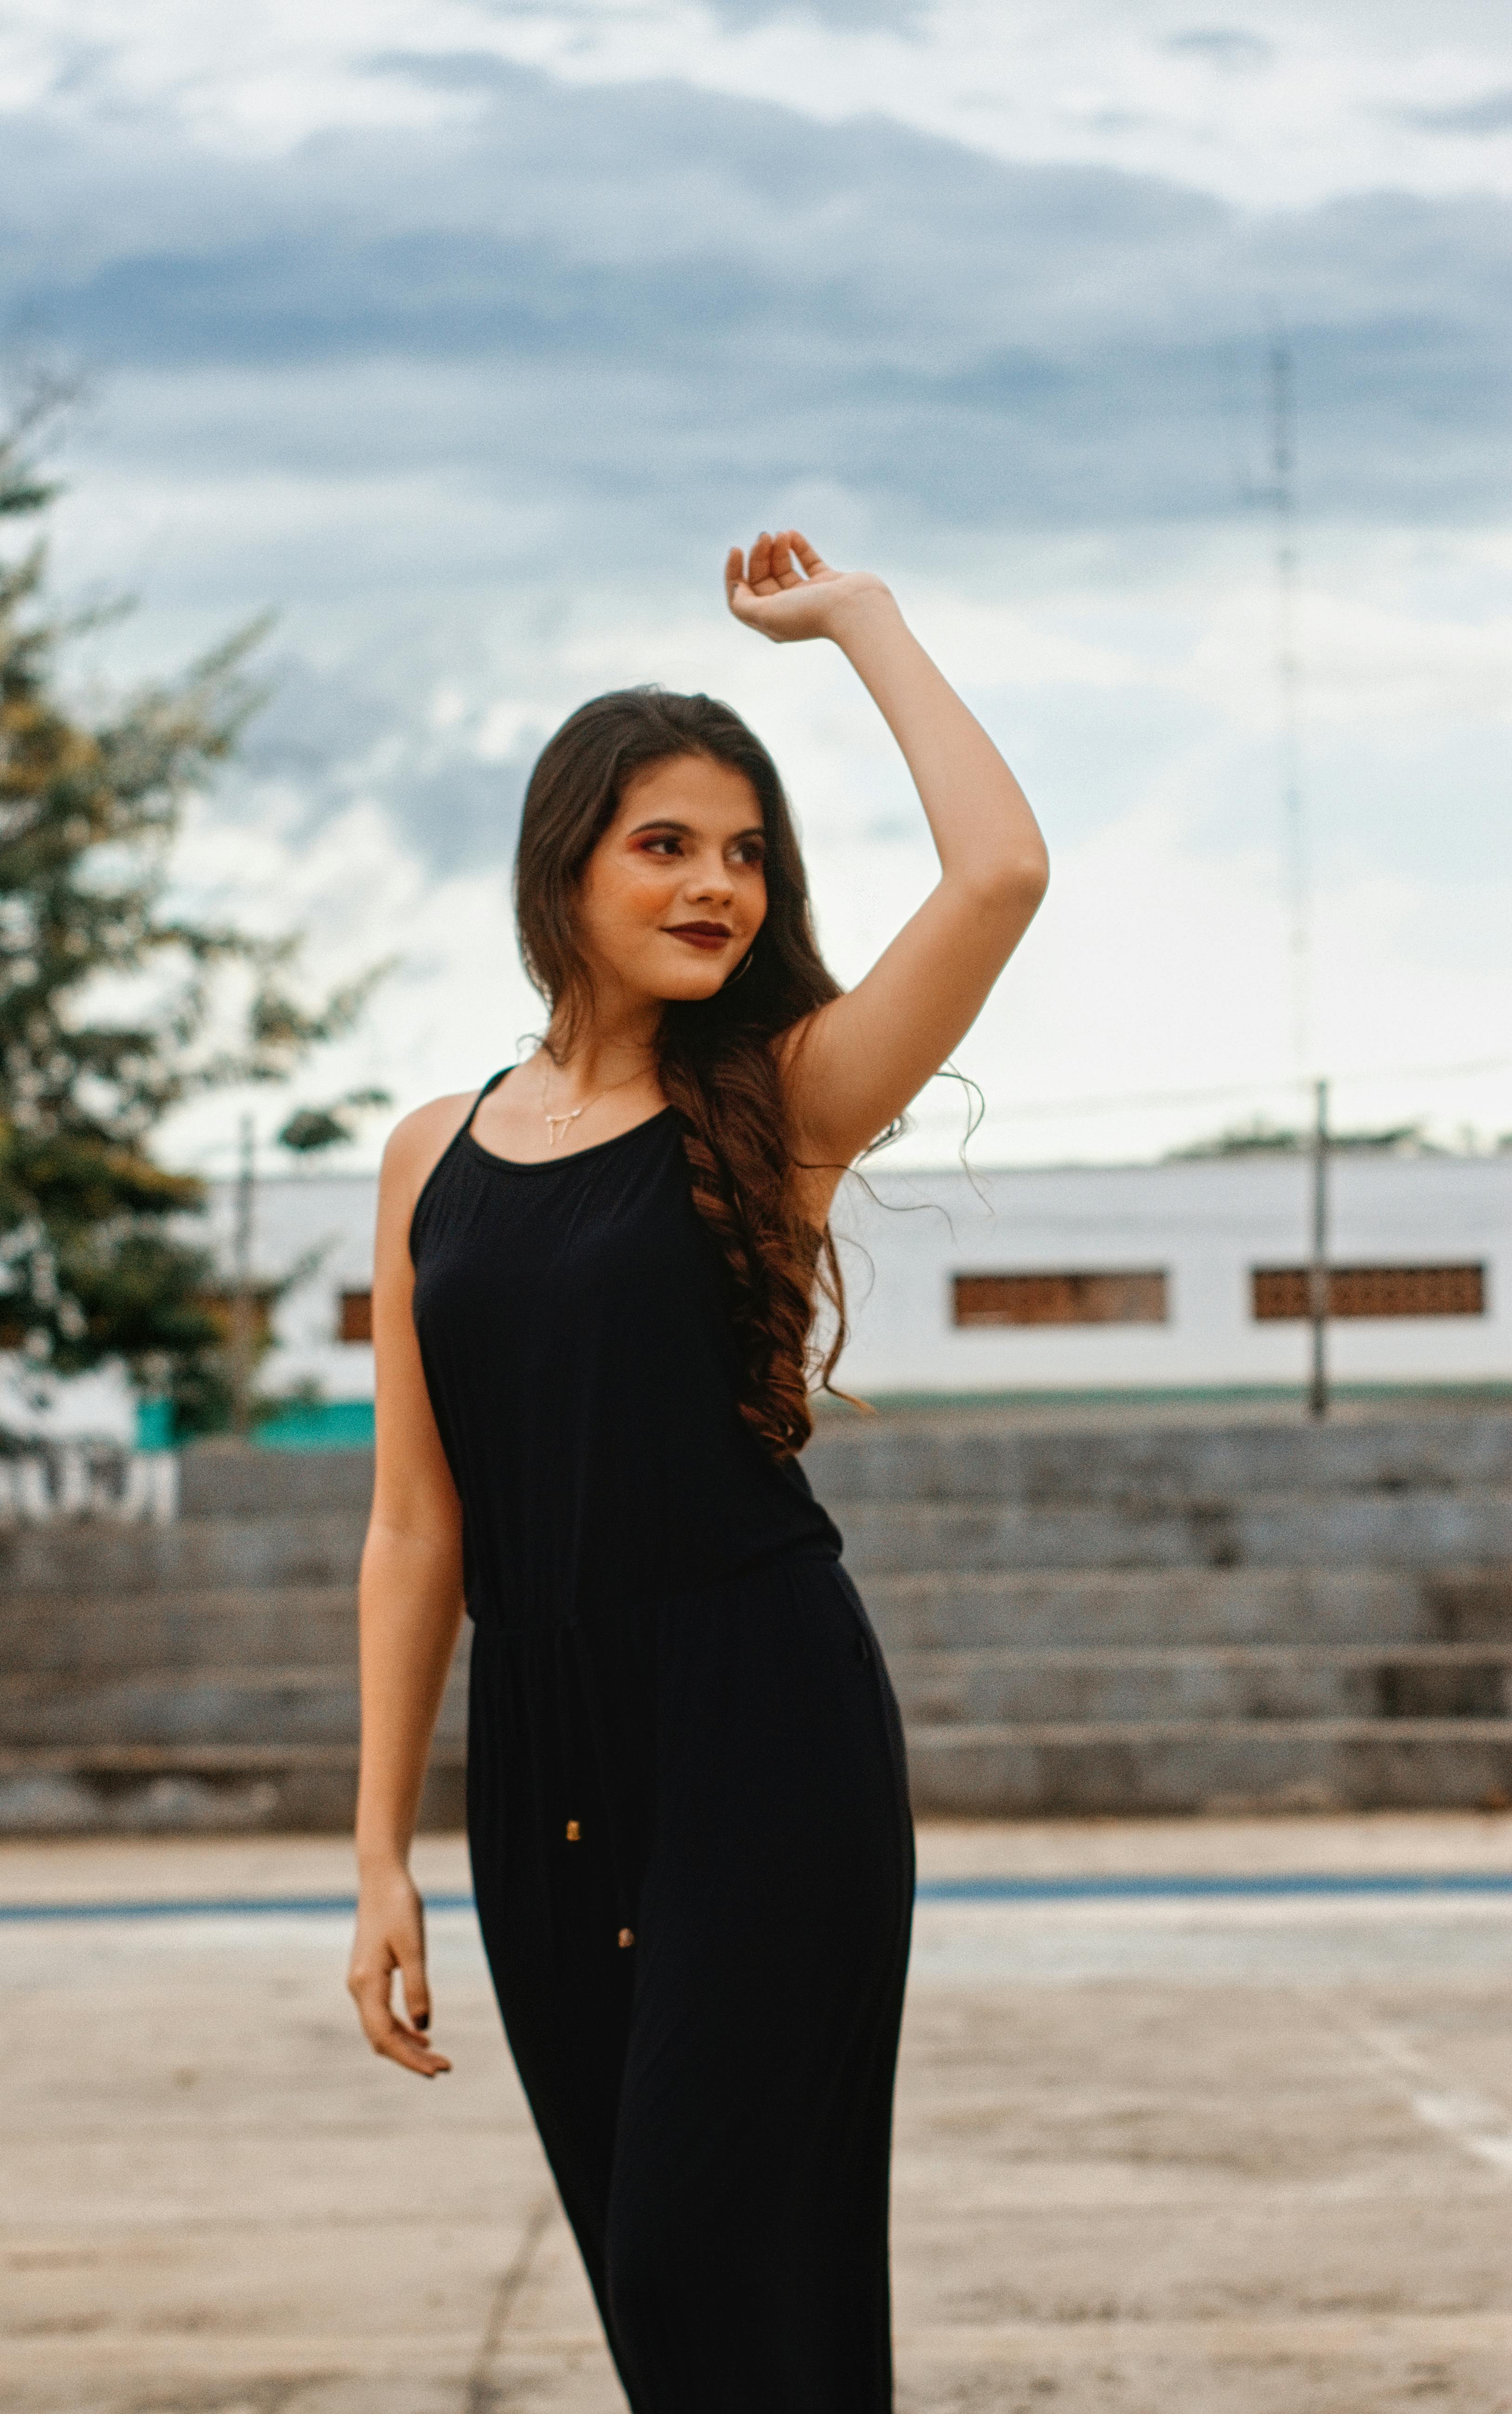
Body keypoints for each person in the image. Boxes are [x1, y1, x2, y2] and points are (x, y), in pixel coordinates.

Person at [347, 529, 1048, 2411]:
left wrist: (862, 624)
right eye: (665, 843)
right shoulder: (430, 1154)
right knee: (654, 2298)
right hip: (544, 1746)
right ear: (561, 868)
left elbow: (1000, 874)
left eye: (747, 854)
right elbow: (414, 1521)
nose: (717, 884)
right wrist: (378, 1850)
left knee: (707, 2239)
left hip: (762, 1718)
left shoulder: (779, 1103)